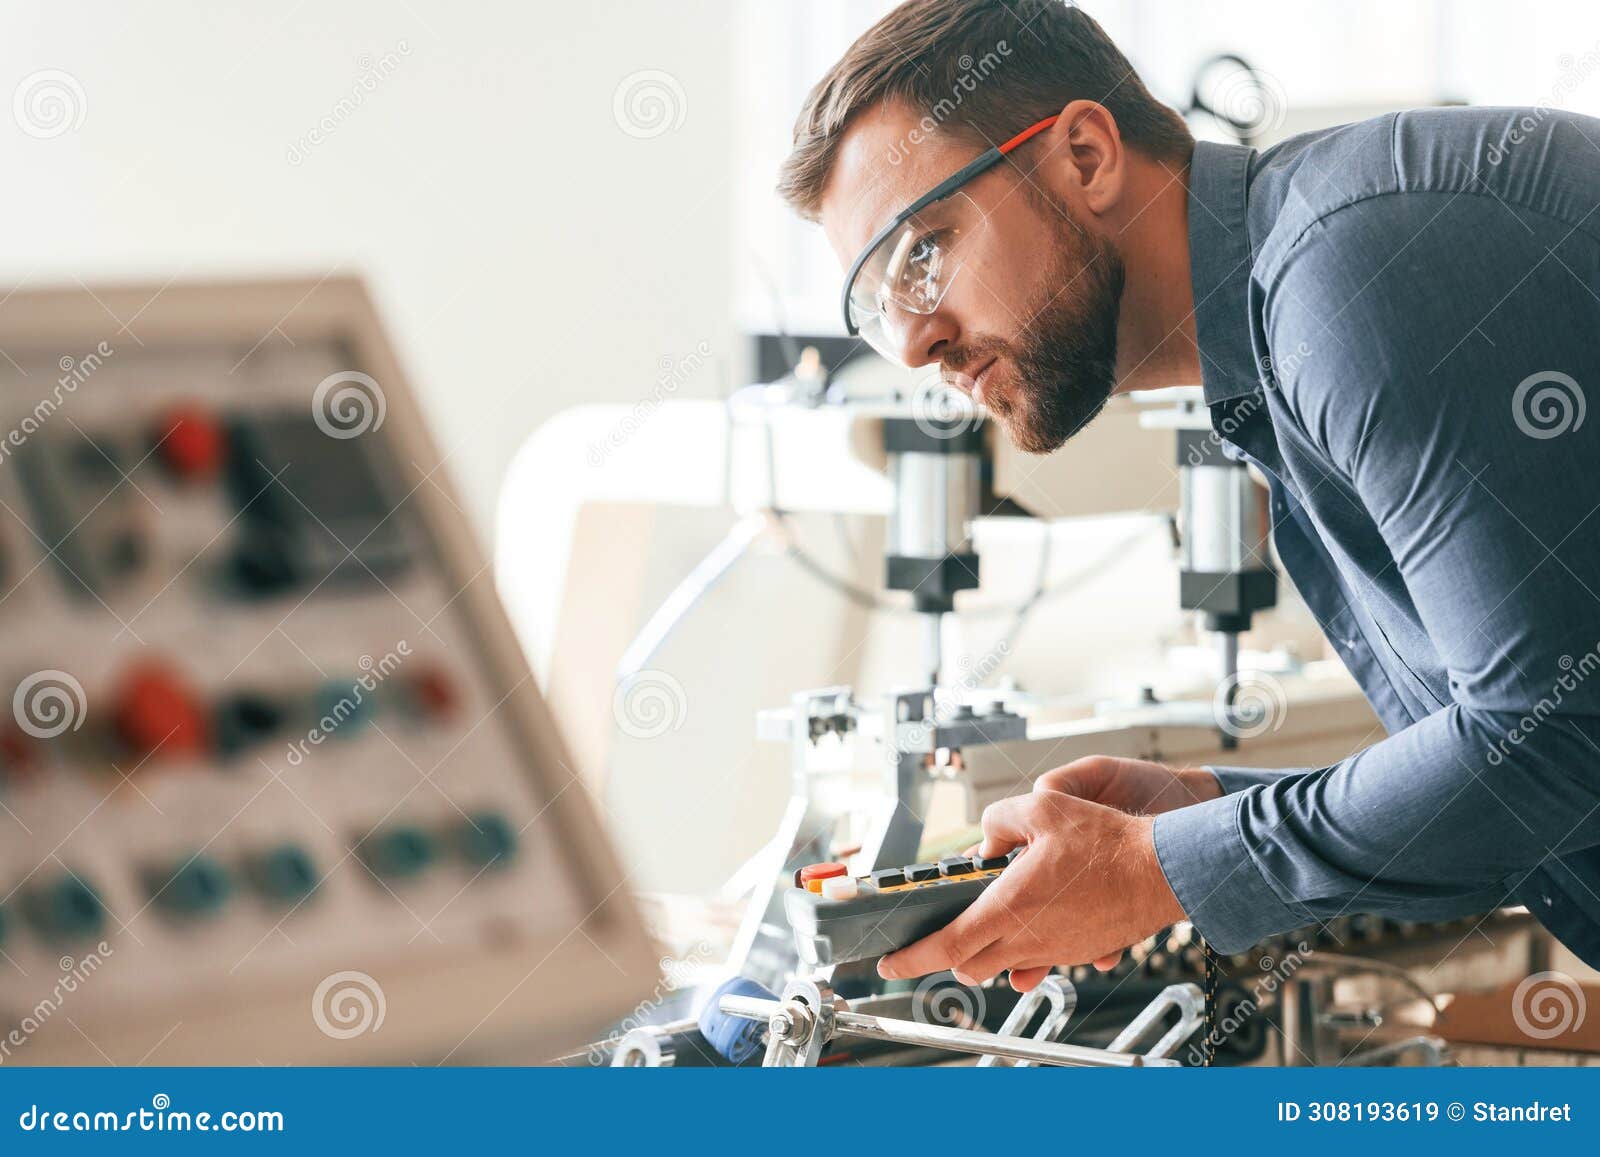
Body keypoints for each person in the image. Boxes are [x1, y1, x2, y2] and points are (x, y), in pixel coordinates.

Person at [776, 0, 1600, 992]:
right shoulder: (1286, 323)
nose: (913, 342)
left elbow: (1553, 744)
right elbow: (1523, 777)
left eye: (923, 250)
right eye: (874, 305)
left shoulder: (1351, 276)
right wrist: (1196, 812)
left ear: (1083, 154)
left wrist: (1161, 869)